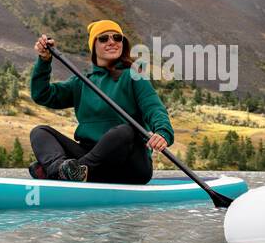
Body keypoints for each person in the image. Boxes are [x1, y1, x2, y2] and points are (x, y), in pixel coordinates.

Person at [28, 20, 172, 183]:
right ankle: (58, 169)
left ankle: (68, 172)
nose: (112, 42)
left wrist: (162, 132)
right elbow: (42, 94)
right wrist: (44, 61)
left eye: (117, 38)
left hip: (129, 164)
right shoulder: (81, 81)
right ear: (93, 46)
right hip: (92, 159)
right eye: (103, 38)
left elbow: (154, 108)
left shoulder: (133, 76)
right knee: (40, 132)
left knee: (126, 131)